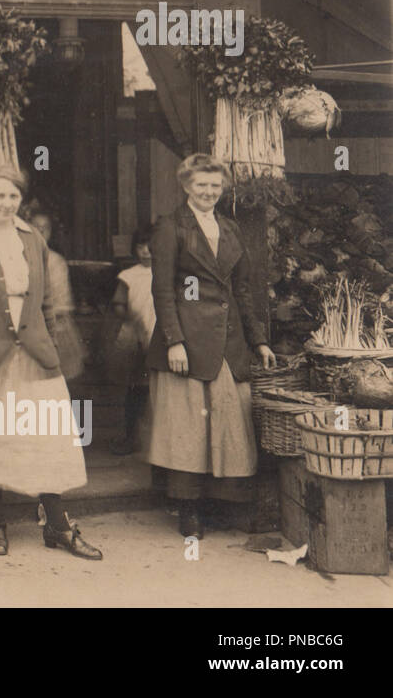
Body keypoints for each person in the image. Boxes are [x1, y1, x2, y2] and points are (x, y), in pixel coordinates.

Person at [0, 165, 102, 560]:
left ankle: (58, 526)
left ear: (21, 200)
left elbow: (46, 301)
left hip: (33, 355)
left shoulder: (31, 239)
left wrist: (49, 345)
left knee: (44, 438)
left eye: (14, 197)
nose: (6, 204)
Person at [143, 154, 275, 539]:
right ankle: (188, 512)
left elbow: (242, 290)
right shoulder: (171, 229)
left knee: (226, 424)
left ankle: (219, 507)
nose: (208, 192)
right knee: (187, 430)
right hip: (187, 343)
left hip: (228, 342)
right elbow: (163, 290)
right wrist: (175, 342)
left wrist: (259, 339)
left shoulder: (230, 229)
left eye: (215, 185)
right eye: (201, 185)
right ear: (186, 186)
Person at [108, 224, 155, 455]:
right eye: (140, 246)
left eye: (150, 245)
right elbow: (118, 304)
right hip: (137, 338)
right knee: (136, 390)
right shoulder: (129, 275)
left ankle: (158, 439)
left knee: (159, 391)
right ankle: (131, 437)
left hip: (162, 338)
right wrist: (129, 318)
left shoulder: (169, 272)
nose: (145, 251)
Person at [29, 211, 84, 383]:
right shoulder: (18, 257)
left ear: (50, 232)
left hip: (54, 330)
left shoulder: (56, 261)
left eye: (45, 228)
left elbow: (62, 304)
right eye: (36, 227)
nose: (41, 231)